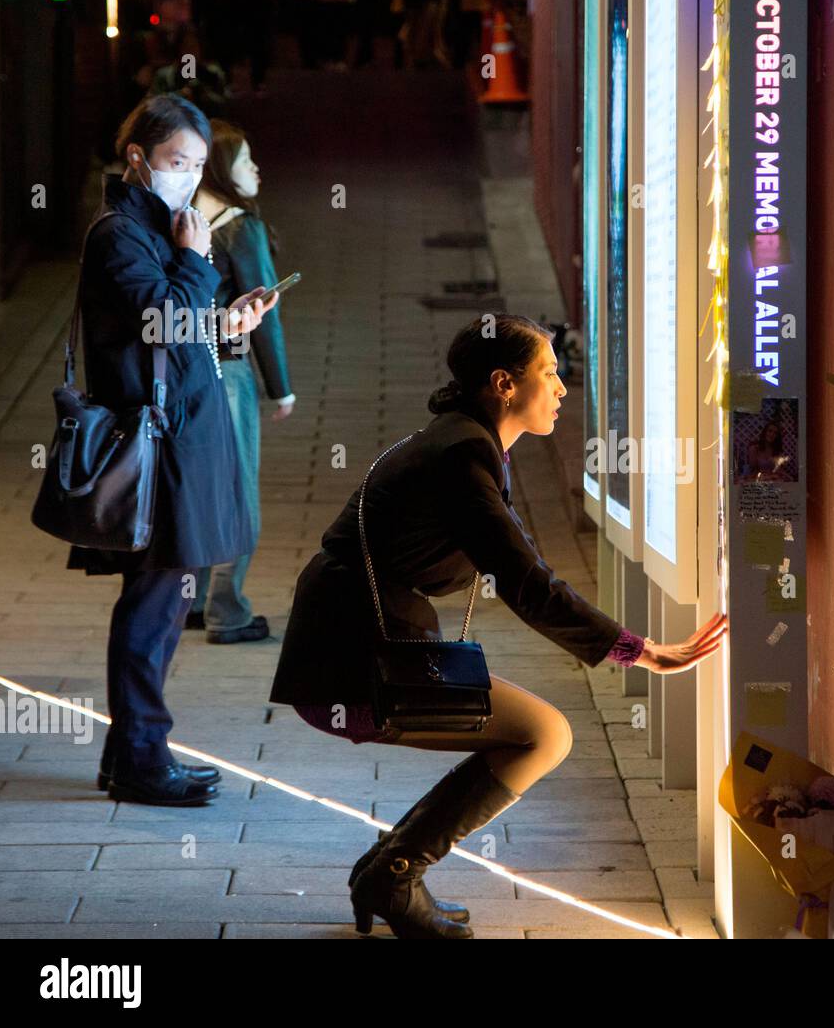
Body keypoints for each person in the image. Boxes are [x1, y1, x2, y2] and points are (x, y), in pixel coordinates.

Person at [270, 314, 728, 939]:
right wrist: (639, 650)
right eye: (549, 372)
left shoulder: (464, 441)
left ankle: (391, 869)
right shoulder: (462, 453)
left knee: (538, 733)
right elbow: (526, 582)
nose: (563, 388)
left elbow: (520, 563)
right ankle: (395, 872)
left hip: (352, 639)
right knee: (544, 735)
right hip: (350, 659)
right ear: (503, 384)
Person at [67, 94, 277, 807]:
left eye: (194, 165)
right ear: (138, 159)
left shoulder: (156, 228)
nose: (187, 179)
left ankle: (129, 754)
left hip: (179, 432)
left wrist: (227, 321)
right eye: (174, 163)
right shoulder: (120, 234)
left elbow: (178, 331)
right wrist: (193, 261)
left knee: (158, 597)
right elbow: (160, 320)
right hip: (154, 444)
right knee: (154, 602)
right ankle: (141, 758)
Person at [185, 120, 295, 643]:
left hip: (183, 369)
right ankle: (227, 612)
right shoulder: (239, 227)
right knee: (237, 490)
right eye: (245, 160)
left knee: (196, 485)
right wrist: (282, 387)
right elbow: (263, 311)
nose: (255, 169)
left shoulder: (178, 222)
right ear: (222, 170)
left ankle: (189, 599)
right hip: (228, 369)